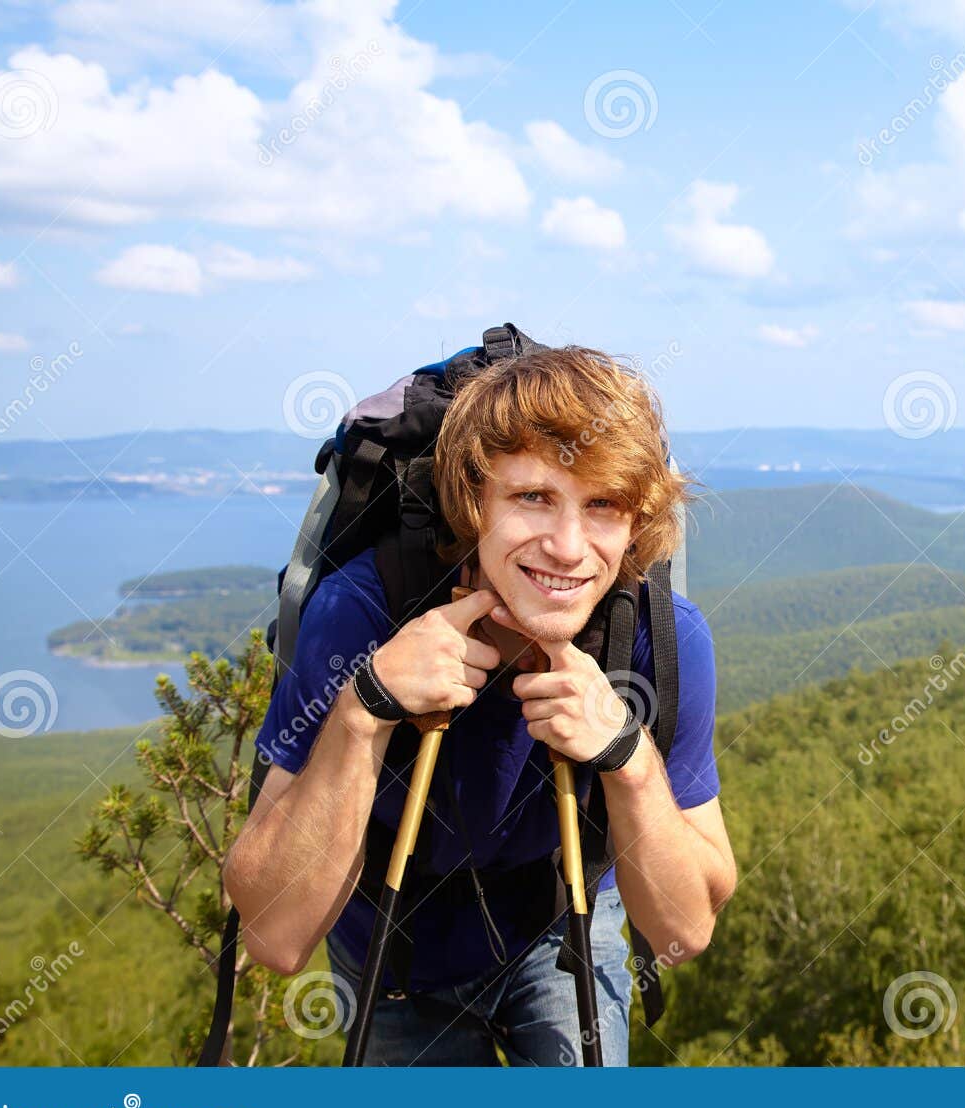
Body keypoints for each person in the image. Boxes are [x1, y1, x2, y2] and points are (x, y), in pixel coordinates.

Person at [224, 345, 736, 1066]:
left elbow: (684, 932)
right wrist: (365, 706)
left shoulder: (657, 637)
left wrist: (626, 756)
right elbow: (274, 935)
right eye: (532, 497)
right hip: (398, 950)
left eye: (602, 506)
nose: (567, 547)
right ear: (473, 499)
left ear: (634, 524)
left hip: (563, 926)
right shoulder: (361, 617)